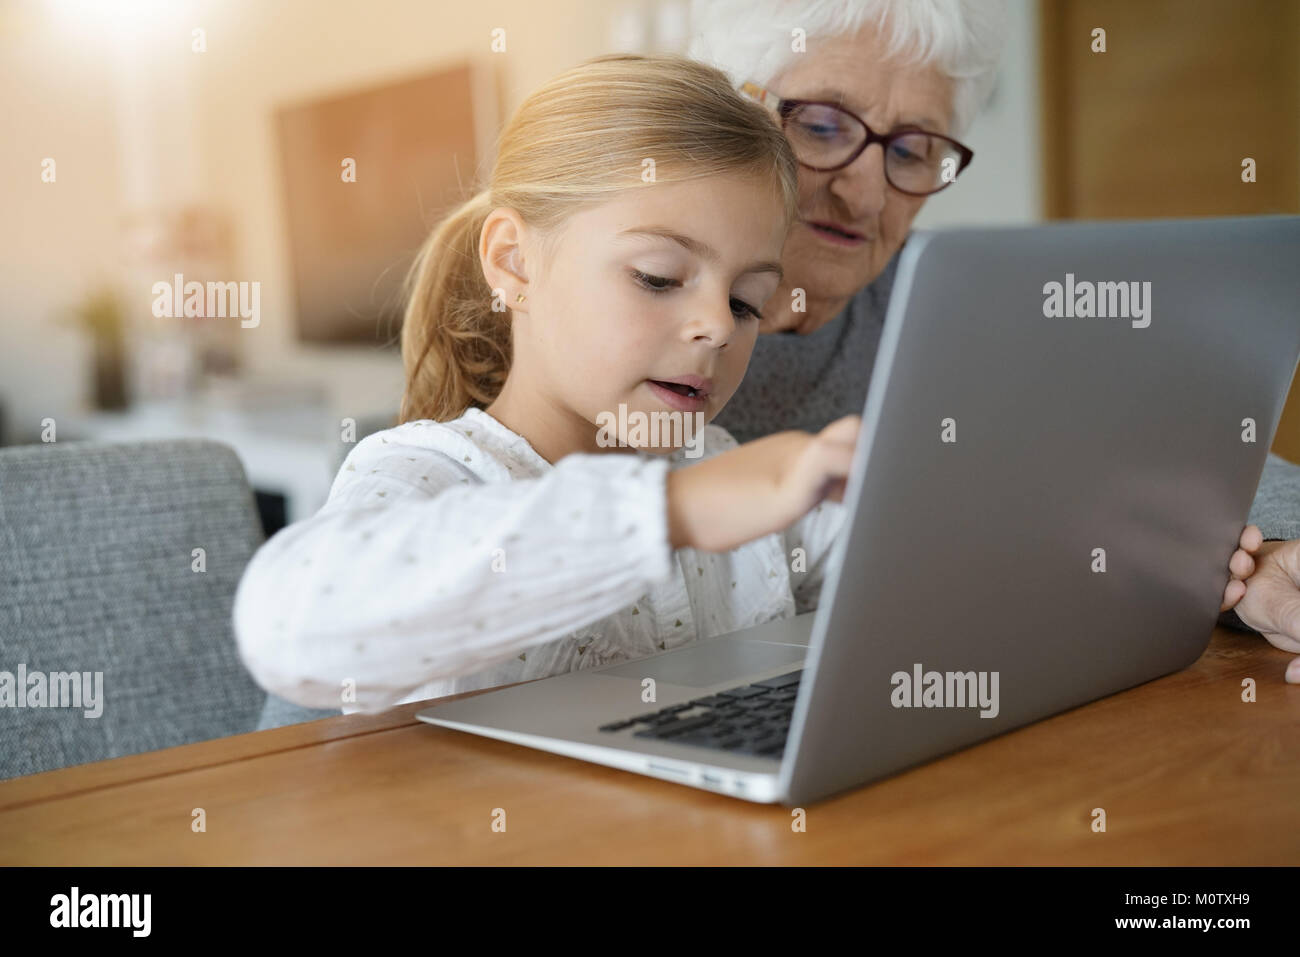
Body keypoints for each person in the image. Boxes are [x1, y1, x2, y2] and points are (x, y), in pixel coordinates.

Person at [233, 54, 865, 714]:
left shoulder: (742, 483)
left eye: (745, 301)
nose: (717, 326)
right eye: (658, 276)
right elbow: (285, 626)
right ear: (515, 262)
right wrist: (674, 509)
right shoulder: (431, 474)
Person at [690, 0, 1300, 679]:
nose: (864, 195)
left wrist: (1264, 562)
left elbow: (1185, 455)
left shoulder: (951, 305)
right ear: (729, 108)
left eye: (913, 149)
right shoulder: (634, 330)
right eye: (824, 126)